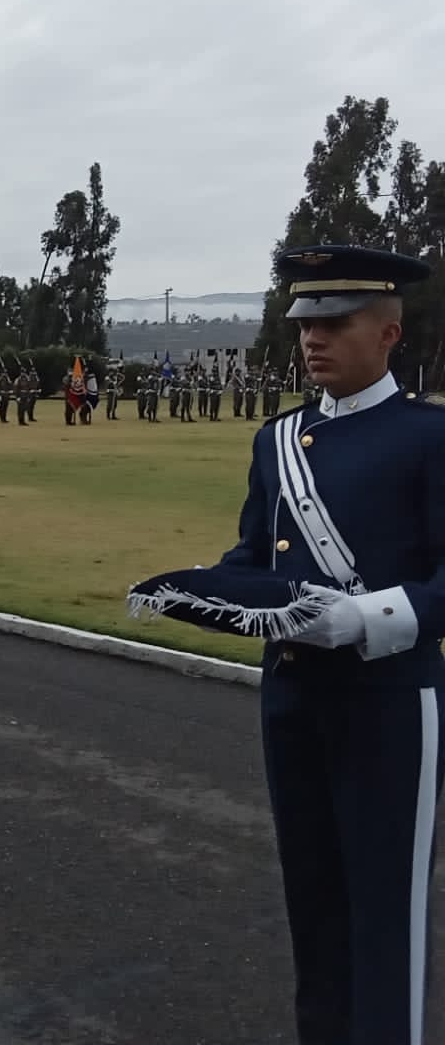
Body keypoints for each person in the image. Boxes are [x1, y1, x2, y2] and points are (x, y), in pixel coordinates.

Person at [126, 244, 442, 1045]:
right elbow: (255, 561)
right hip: (294, 696)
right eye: (306, 321)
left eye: (335, 322)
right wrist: (201, 591)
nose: (312, 338)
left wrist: (367, 619)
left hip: (389, 704)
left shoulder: (426, 438)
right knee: (314, 908)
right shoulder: (279, 441)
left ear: (390, 333)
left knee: (383, 917)